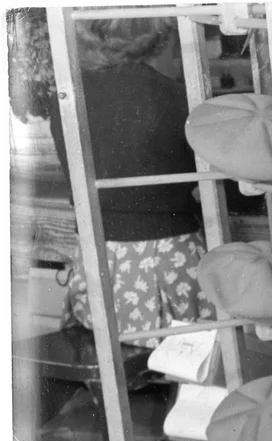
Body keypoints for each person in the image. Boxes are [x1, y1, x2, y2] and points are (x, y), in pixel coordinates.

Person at [47, 16, 212, 346]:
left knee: (114, 364)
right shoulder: (181, 99)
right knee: (185, 366)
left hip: (98, 262)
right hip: (169, 258)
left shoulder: (65, 96)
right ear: (162, 39)